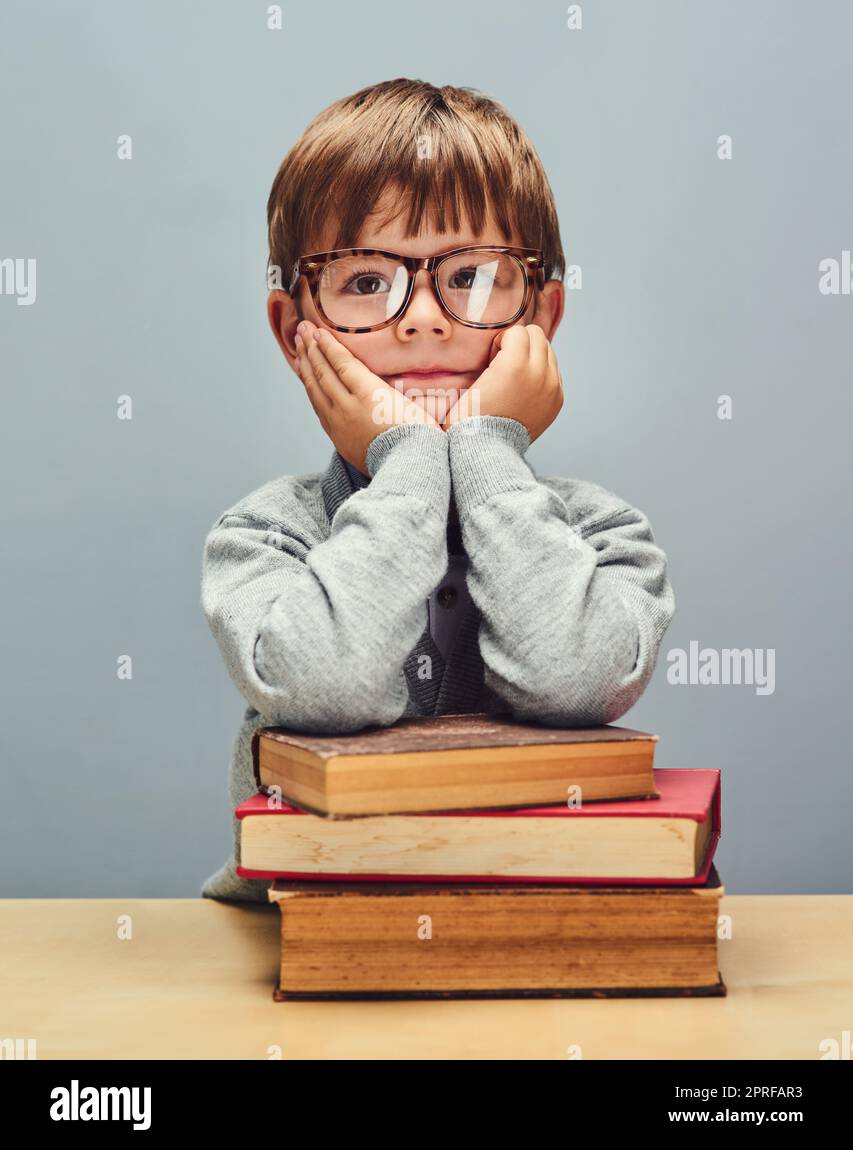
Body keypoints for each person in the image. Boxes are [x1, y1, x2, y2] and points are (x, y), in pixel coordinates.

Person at [199, 78, 675, 903]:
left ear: (542, 318)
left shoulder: (601, 532)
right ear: (292, 330)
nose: (421, 318)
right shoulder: (266, 535)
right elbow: (327, 686)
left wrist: (484, 452)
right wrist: (411, 458)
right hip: (298, 946)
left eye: (474, 279)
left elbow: (576, 682)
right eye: (365, 282)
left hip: (535, 944)